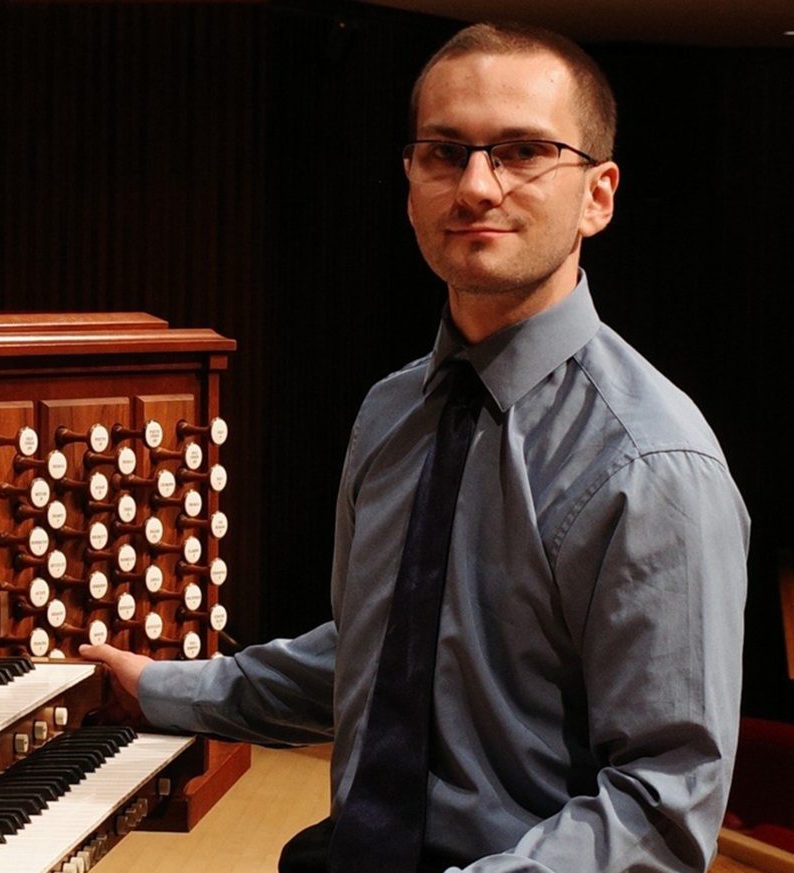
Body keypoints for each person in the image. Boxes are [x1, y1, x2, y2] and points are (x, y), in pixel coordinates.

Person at [82, 21, 749, 873]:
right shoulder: (391, 412)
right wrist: (162, 687)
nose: (475, 186)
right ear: (410, 184)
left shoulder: (654, 465)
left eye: (522, 152)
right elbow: (380, 658)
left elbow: (662, 806)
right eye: (445, 153)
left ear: (598, 195)